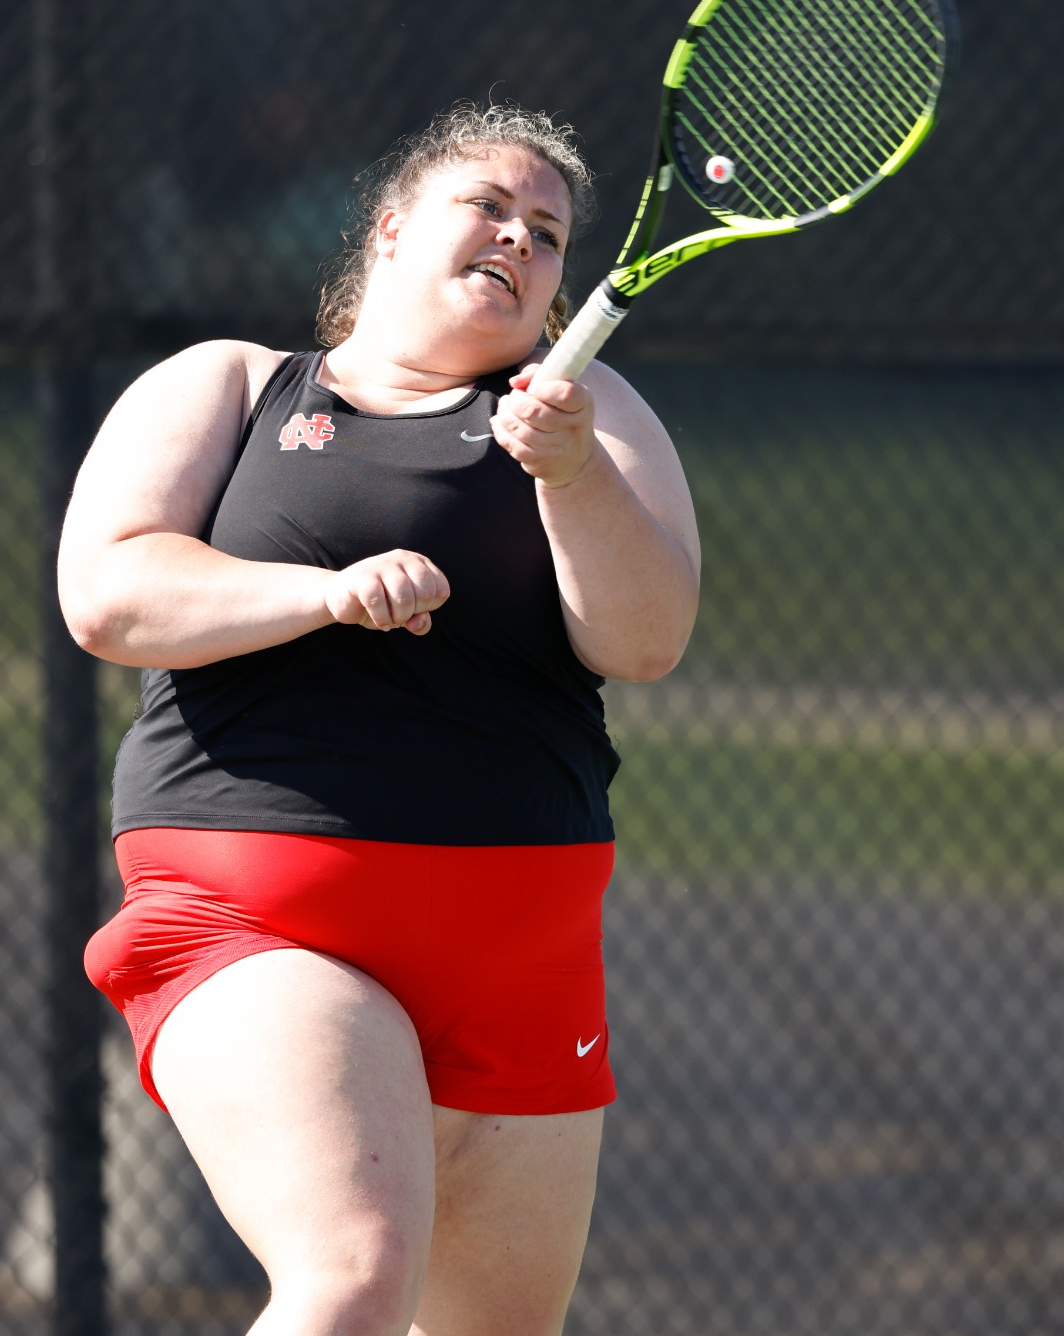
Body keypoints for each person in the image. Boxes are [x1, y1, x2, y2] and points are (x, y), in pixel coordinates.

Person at [57, 102, 700, 1336]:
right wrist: (322, 593)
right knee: (350, 1277)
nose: (520, 239)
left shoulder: (587, 411)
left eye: (550, 233)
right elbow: (109, 593)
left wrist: (571, 475)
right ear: (393, 229)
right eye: (490, 208)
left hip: (522, 949)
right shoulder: (233, 385)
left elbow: (644, 638)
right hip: (260, 916)